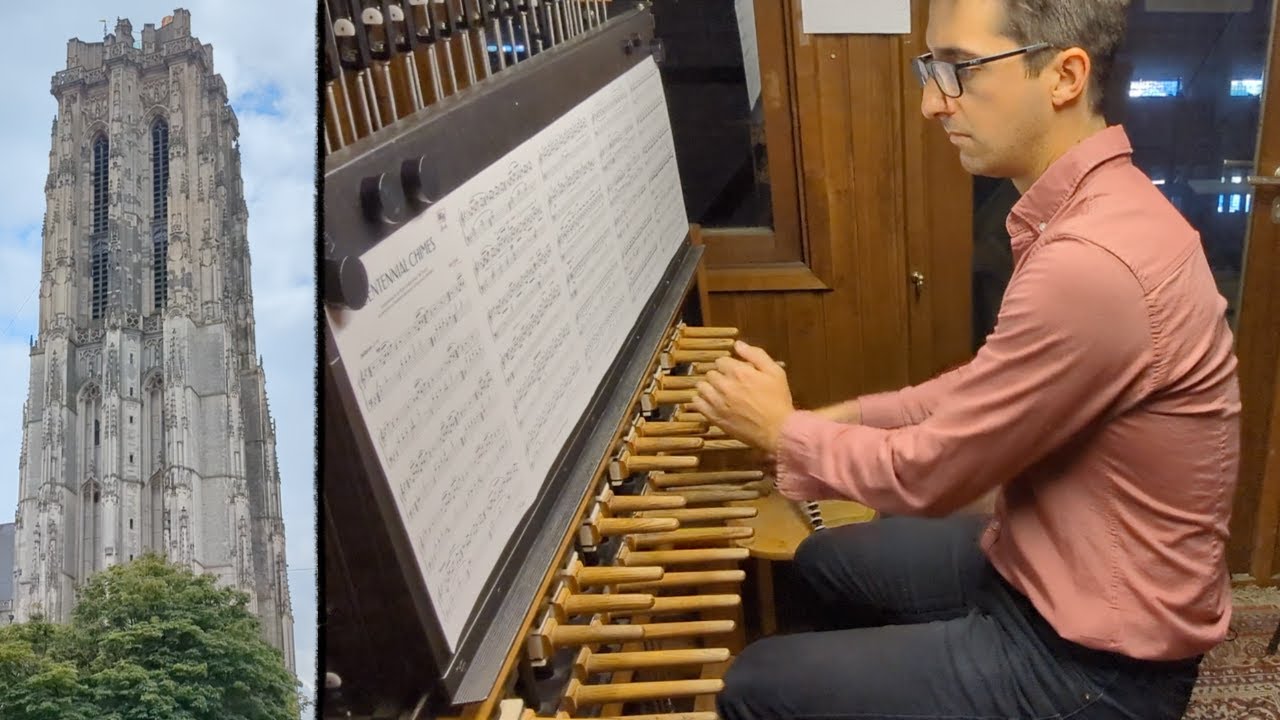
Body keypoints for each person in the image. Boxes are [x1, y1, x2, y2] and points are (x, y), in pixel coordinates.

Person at [689, 0, 1240, 718]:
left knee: (755, 683)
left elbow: (934, 474)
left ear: (1065, 75)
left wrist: (781, 433)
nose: (930, 103)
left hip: (1099, 669)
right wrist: (832, 418)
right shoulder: (1096, 207)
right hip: (1041, 567)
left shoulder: (1094, 263)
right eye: (931, 69)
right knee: (825, 564)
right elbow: (985, 386)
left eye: (957, 69)